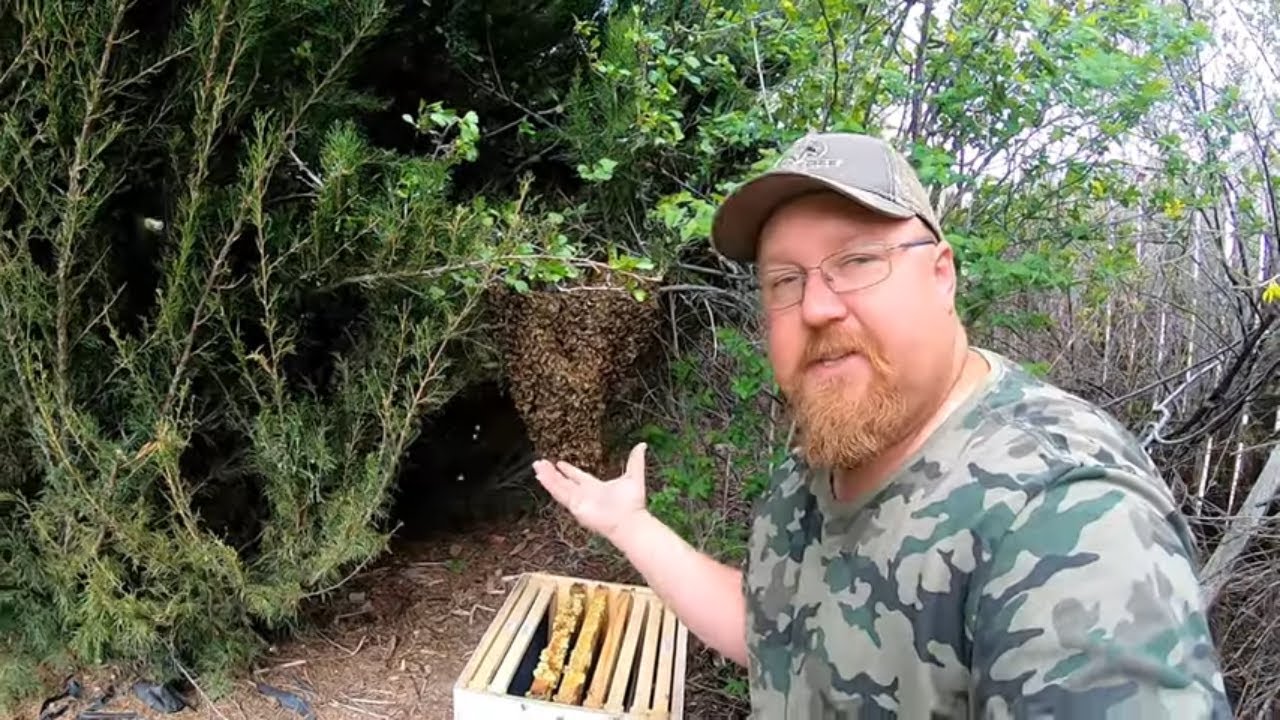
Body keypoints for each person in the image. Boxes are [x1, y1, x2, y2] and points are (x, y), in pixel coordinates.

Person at [531, 132, 1232, 718]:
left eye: (857, 261)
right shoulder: (824, 450)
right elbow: (781, 633)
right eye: (784, 280)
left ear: (942, 275)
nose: (815, 308)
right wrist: (629, 525)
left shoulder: (1065, 517)